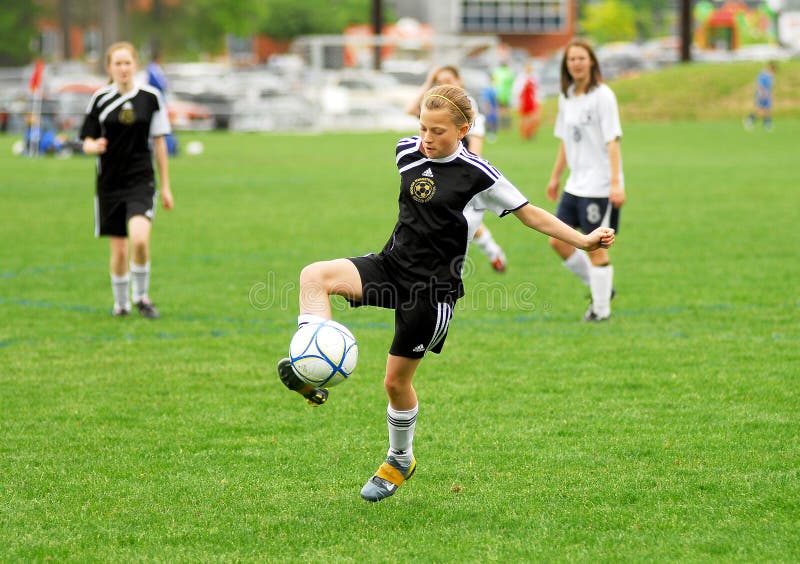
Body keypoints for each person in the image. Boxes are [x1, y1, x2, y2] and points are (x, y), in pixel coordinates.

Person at [277, 84, 615, 502]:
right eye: (423, 127)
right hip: (390, 266)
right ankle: (310, 357)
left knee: (395, 383)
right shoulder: (406, 152)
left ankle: (399, 459)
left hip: (432, 290)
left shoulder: (479, 175)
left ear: (464, 130)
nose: (427, 138)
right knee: (315, 276)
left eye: (438, 131)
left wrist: (583, 241)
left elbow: (531, 215)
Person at [79, 41, 174, 318]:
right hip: (109, 183)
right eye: (117, 63)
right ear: (109, 67)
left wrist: (166, 186)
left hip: (141, 180)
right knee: (119, 250)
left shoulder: (150, 97)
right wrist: (91, 146)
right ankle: (121, 305)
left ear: (135, 65)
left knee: (140, 240)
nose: (123, 68)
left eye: (127, 63)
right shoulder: (100, 99)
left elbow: (159, 143)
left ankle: (142, 297)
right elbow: (86, 139)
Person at [545, 38, 625, 322]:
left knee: (596, 249)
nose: (576, 63)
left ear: (591, 61)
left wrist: (616, 183)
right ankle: (601, 288)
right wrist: (555, 177)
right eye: (571, 59)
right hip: (575, 185)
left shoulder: (604, 96)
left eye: (581, 58)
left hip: (600, 186)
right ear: (566, 65)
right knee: (558, 241)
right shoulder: (566, 96)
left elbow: (612, 141)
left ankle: (600, 311)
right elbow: (565, 142)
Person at [405, 65, 508, 273]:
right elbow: (410, 109)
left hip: (460, 174)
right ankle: (492, 253)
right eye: (440, 81)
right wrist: (428, 81)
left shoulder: (467, 106)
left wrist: (468, 178)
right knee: (456, 222)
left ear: (459, 81)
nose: (444, 85)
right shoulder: (435, 106)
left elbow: (476, 146)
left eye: (449, 80)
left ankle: (463, 267)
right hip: (438, 172)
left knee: (459, 225)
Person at [743, 61, 776, 132]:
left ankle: (767, 124)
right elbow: (760, 86)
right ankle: (749, 119)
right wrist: (761, 94)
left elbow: (770, 87)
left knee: (768, 110)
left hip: (767, 95)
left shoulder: (771, 76)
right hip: (761, 95)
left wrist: (770, 95)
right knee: (760, 110)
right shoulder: (762, 75)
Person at [514, 64, 540, 140]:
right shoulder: (521, 78)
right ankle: (524, 134)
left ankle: (530, 133)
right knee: (524, 119)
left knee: (534, 118)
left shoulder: (534, 77)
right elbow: (517, 90)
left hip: (532, 101)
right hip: (524, 101)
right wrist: (518, 101)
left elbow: (536, 90)